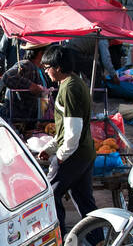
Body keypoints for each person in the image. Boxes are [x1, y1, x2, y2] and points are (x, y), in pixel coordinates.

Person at [41, 45, 96, 235]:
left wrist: (60, 157)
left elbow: (73, 131)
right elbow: (65, 129)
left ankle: (62, 241)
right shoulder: (72, 83)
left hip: (74, 154)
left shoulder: (70, 89)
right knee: (85, 202)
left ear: (57, 67)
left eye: (47, 67)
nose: (46, 72)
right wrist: (50, 148)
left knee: (49, 195)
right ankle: (98, 244)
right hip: (85, 152)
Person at [1, 40, 52, 133]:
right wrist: (30, 85)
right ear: (41, 54)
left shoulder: (40, 69)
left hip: (32, 118)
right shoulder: (26, 64)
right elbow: (7, 77)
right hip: (20, 119)